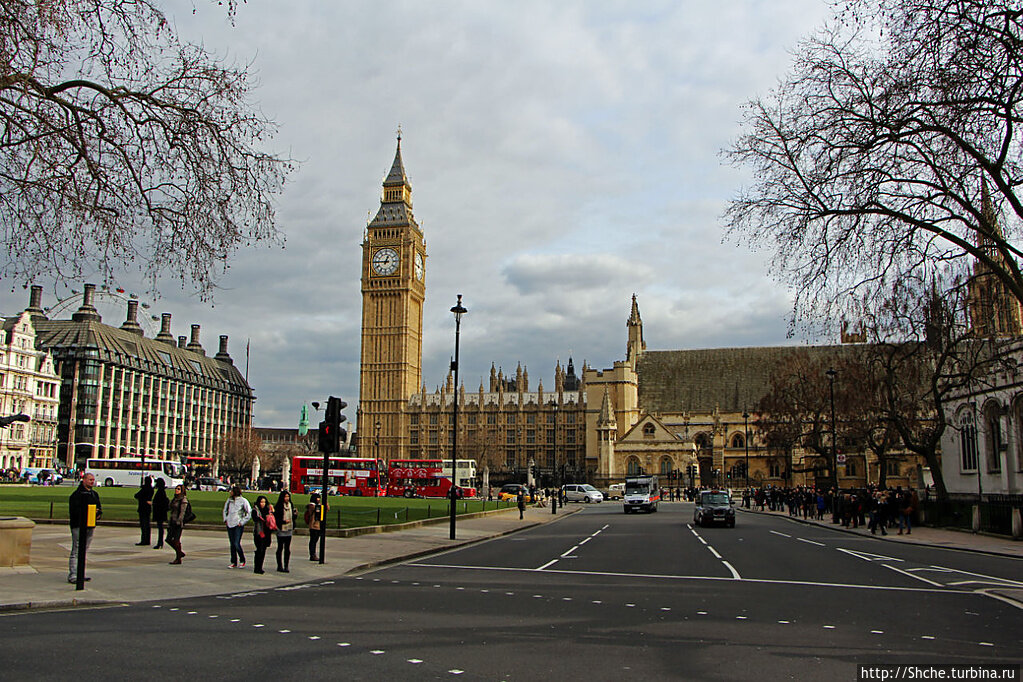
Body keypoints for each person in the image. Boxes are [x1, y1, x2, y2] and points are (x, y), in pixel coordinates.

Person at [68, 472, 102, 584]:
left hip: (90, 525)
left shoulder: (94, 494)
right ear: (84, 480)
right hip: (78, 525)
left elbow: (99, 508)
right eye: (90, 480)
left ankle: (80, 572)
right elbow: (74, 511)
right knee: (76, 550)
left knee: (84, 550)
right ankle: (73, 574)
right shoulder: (76, 495)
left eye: (93, 480)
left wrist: (98, 513)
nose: (92, 481)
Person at [222, 486, 251, 568]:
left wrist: (242, 522)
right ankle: (233, 561)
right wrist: (225, 519)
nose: (230, 492)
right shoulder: (229, 500)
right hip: (230, 523)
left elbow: (249, 512)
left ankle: (242, 559)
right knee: (232, 544)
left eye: (231, 491)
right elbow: (225, 510)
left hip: (238, 524)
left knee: (236, 543)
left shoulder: (243, 501)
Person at [273, 490, 297, 573]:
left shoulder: (291, 505)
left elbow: (293, 517)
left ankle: (286, 565)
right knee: (280, 547)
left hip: (289, 528)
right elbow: (276, 518)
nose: (287, 498)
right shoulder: (279, 506)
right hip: (281, 528)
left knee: (287, 548)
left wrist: (295, 515)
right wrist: (283, 521)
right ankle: (279, 566)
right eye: (285, 497)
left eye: (288, 497)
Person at [166, 484, 190, 564]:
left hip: (178, 523)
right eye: (176, 488)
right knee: (168, 539)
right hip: (172, 521)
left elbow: (182, 512)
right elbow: (169, 508)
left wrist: (179, 521)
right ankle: (180, 553)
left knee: (176, 540)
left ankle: (178, 558)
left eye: (178, 489)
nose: (176, 490)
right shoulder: (175, 499)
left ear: (182, 491)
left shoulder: (183, 500)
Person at [251, 495, 274, 574]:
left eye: (264, 502)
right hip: (259, 532)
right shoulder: (255, 510)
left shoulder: (268, 510)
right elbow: (255, 518)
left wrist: (271, 512)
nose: (262, 504)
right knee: (259, 550)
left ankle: (260, 566)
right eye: (261, 502)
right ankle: (256, 567)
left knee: (263, 550)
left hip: (266, 532)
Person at [305, 492, 328, 561]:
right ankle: (312, 554)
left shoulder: (319, 505)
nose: (319, 499)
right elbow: (316, 509)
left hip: (319, 525)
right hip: (313, 525)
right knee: (313, 540)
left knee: (316, 540)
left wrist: (325, 502)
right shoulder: (312, 506)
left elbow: (326, 509)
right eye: (318, 498)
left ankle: (313, 554)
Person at [134, 476, 153, 546]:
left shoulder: (144, 488)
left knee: (143, 525)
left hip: (142, 508)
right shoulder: (151, 489)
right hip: (148, 508)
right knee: (147, 525)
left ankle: (144, 540)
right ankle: (148, 539)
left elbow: (136, 495)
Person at [152, 478, 169, 549]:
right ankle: (160, 542)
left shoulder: (160, 492)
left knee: (160, 528)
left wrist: (153, 503)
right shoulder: (162, 491)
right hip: (161, 512)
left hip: (159, 512)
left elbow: (159, 503)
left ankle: (160, 542)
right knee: (160, 528)